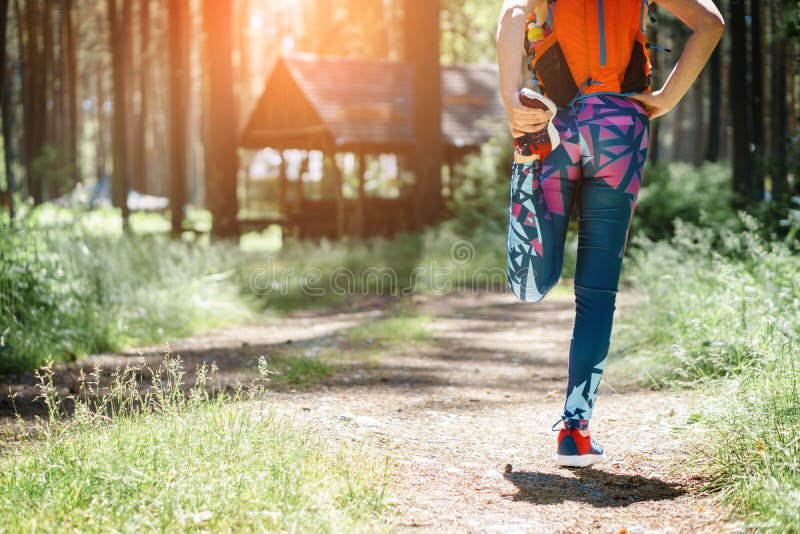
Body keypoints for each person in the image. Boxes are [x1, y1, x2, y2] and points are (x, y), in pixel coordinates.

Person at [496, 0, 724, 467]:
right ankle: (575, 432)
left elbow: (513, 15)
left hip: (556, 124)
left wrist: (510, 98)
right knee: (597, 294)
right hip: (622, 128)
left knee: (536, 276)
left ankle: (533, 247)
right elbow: (711, 23)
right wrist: (666, 98)